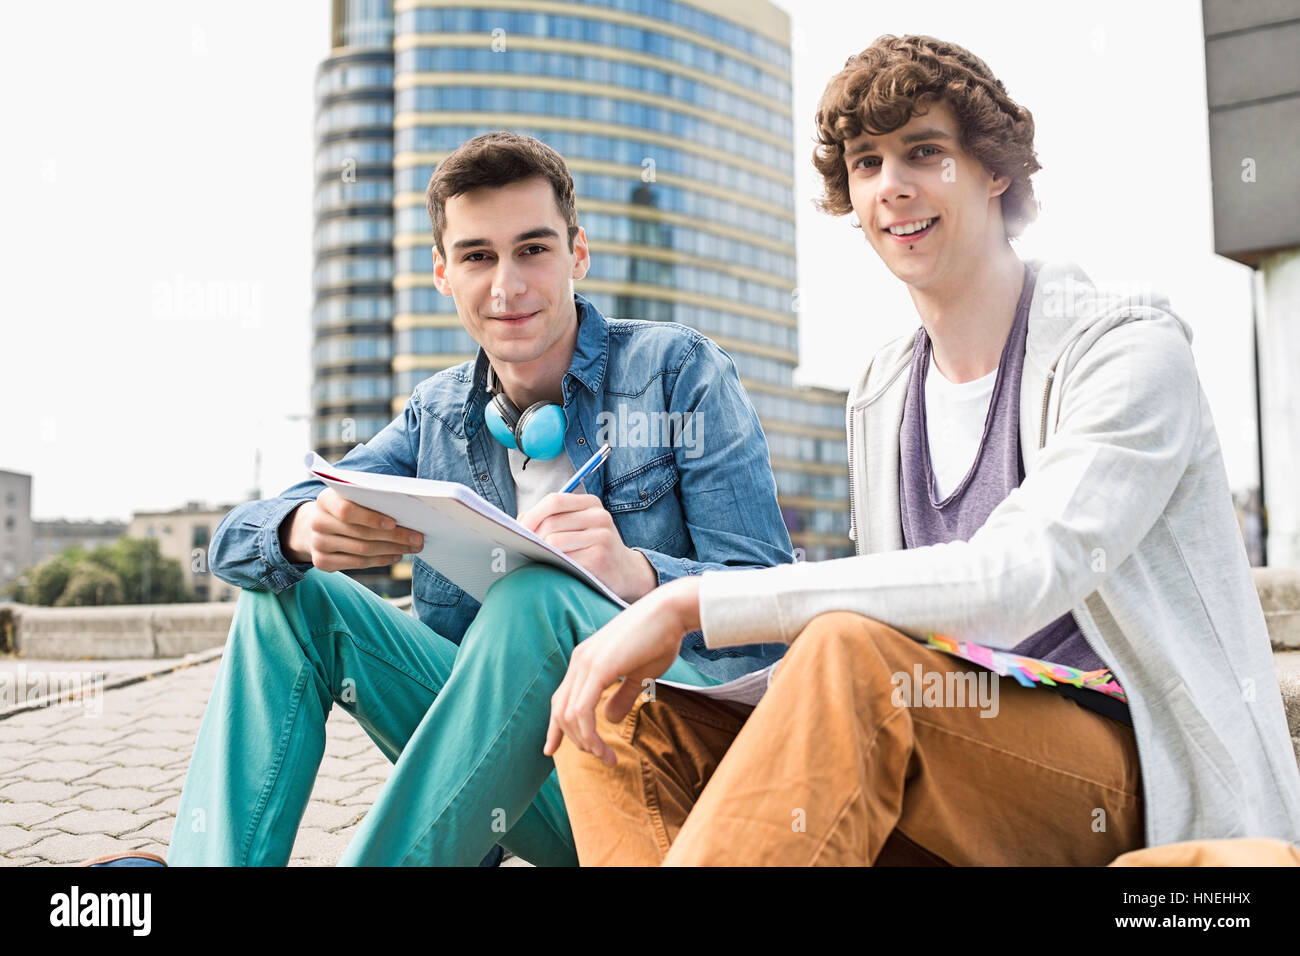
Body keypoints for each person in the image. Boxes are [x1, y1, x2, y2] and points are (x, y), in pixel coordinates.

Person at [544, 34, 1300, 866]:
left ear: (994, 170)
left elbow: (1015, 577)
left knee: (850, 657)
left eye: (924, 153)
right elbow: (901, 610)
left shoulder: (1125, 348)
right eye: (866, 163)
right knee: (623, 720)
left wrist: (686, 603)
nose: (893, 187)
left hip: (1132, 783)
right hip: (945, 755)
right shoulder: (883, 391)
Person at [156, 130, 793, 866]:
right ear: (443, 273)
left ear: (577, 254)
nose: (507, 285)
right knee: (288, 595)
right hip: (531, 799)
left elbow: (772, 615)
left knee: (532, 600)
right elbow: (241, 540)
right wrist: (300, 528)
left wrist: (640, 578)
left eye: (533, 249)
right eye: (478, 256)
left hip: (672, 776)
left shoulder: (680, 372)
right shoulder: (440, 413)